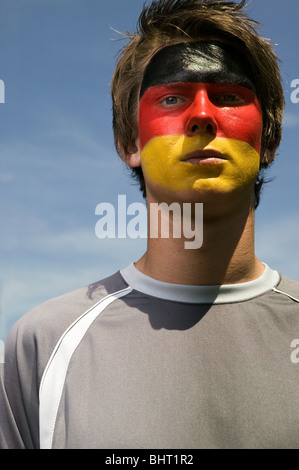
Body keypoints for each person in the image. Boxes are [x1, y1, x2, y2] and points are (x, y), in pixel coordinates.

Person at [1, 0, 299, 450]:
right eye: (173, 98)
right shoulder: (42, 343)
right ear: (128, 142)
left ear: (268, 140)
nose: (203, 115)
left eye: (229, 96)